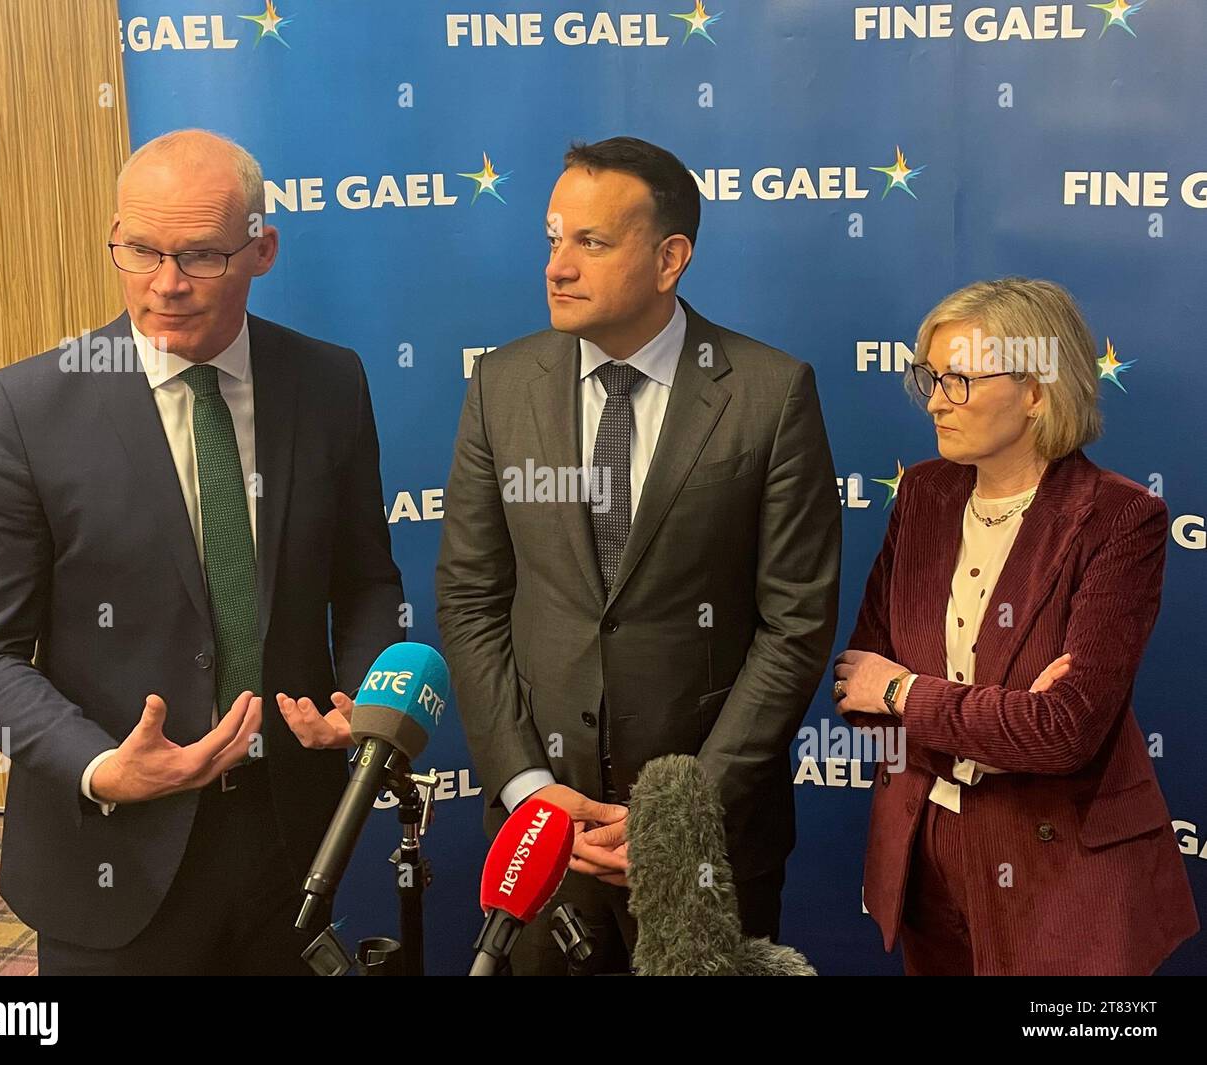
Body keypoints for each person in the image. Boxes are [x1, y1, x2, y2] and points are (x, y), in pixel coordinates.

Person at [0, 129, 404, 975]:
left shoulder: (331, 383)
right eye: (140, 249)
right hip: (108, 855)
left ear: (261, 248)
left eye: (200, 255)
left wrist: (362, 695)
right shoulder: (25, 407)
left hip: (289, 841)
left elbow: (367, 578)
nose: (166, 283)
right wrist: (101, 763)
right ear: (115, 235)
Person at [436, 136, 841, 974]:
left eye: (590, 242)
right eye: (553, 239)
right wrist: (523, 785)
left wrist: (681, 808)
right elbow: (472, 600)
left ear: (669, 258)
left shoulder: (769, 393)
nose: (558, 266)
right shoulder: (500, 386)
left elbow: (795, 623)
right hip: (544, 838)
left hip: (709, 835)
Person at [834, 277, 1198, 975]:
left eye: (960, 380)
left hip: (1058, 874)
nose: (936, 399)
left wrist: (907, 695)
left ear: (1036, 391)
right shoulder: (924, 494)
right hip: (923, 856)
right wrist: (999, 726)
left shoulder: (1120, 519)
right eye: (930, 378)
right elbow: (856, 683)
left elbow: (1064, 730)